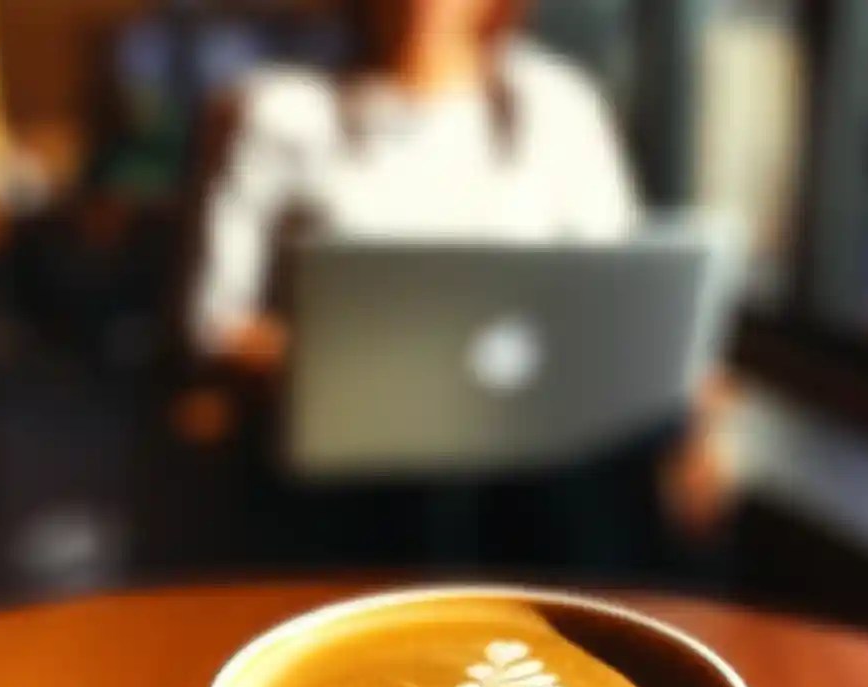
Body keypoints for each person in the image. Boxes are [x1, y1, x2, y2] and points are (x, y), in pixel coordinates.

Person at [185, 0, 729, 571]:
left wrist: (697, 417)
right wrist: (348, 370)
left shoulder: (557, 106)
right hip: (355, 463)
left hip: (539, 451)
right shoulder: (278, 113)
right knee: (433, 502)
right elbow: (215, 326)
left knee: (602, 488)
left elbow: (627, 297)